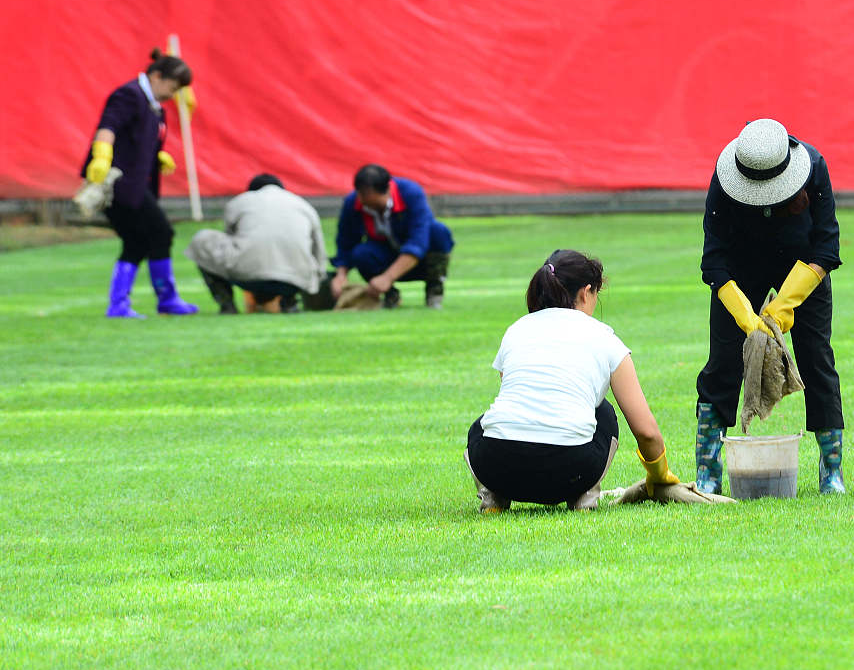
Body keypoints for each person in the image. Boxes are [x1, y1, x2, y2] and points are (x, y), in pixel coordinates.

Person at [695, 118, 845, 495]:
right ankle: (707, 474)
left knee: (817, 360)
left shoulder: (815, 168)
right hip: (738, 268)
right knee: (722, 363)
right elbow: (713, 260)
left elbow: (827, 248)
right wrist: (745, 315)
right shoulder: (723, 178)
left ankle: (832, 474)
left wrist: (786, 303)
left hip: (803, 265)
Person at [465, 250, 679, 512]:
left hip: (495, 467)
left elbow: (523, 401)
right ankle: (583, 499)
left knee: (487, 422)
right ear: (585, 292)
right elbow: (646, 432)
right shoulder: (605, 338)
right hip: (569, 473)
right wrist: (659, 476)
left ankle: (494, 497)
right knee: (605, 412)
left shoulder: (517, 329)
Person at [82, 48, 199, 317]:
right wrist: (101, 155)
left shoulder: (154, 106)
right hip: (119, 184)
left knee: (136, 241)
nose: (174, 94)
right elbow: (108, 127)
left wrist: (157, 156)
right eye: (173, 86)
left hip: (139, 184)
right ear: (157, 76)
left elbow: (138, 137)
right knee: (161, 232)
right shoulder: (128, 95)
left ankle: (120, 304)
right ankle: (165, 298)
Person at [184, 174, 328, 314]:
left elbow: (230, 238)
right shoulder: (304, 205)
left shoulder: (241, 201)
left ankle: (227, 305)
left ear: (251, 191)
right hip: (297, 281)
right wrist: (317, 280)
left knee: (202, 239)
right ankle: (290, 303)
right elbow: (319, 252)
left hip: (247, 275)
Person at [329, 164, 454, 309]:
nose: (367, 204)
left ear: (387, 190)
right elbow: (346, 242)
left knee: (438, 232)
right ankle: (390, 295)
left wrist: (387, 277)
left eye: (373, 201)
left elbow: (418, 241)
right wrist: (341, 276)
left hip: (418, 260)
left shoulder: (411, 193)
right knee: (360, 253)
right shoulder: (353, 203)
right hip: (384, 254)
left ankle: (434, 288)